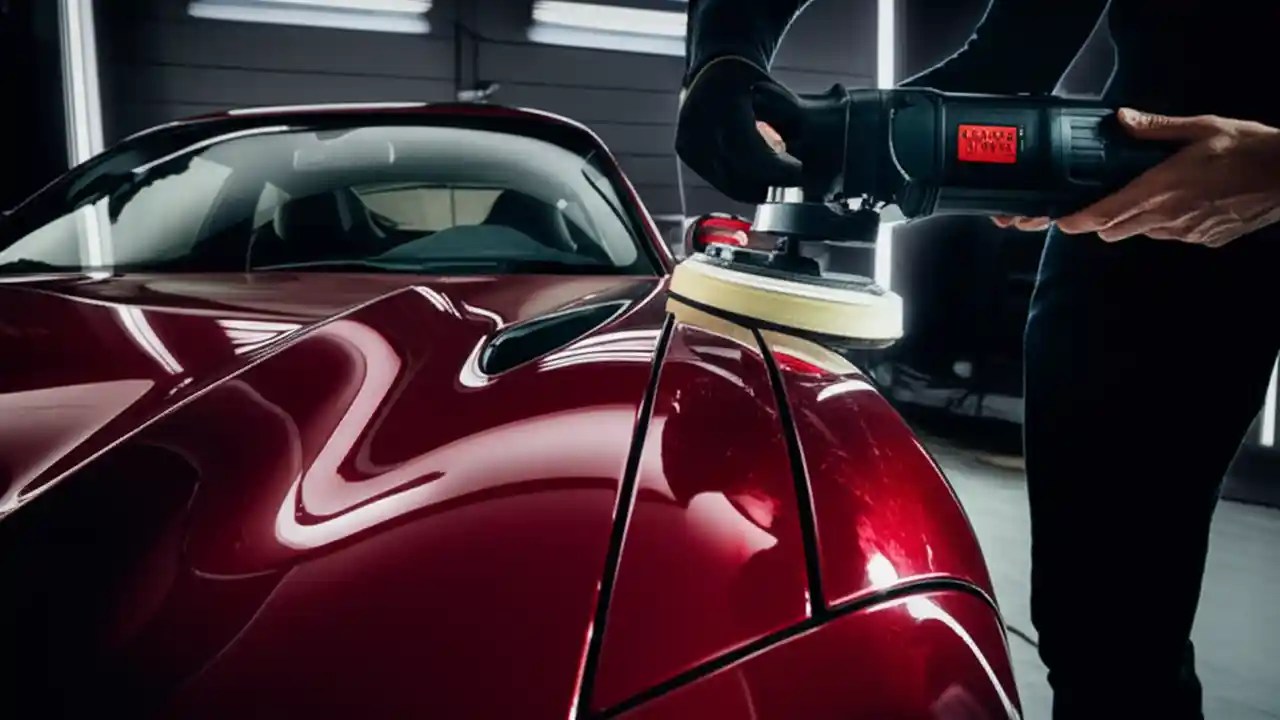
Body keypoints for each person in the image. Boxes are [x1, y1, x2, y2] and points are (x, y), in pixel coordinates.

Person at [676, 1, 1280, 718]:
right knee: (1106, 641)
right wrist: (733, 57)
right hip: (1141, 212)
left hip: (1194, 177)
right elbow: (1010, 59)